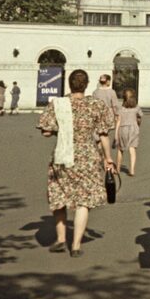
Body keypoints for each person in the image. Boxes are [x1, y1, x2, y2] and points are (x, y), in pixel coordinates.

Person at [38, 68, 116, 257]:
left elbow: (46, 131)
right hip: (87, 156)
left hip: (63, 154)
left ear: (69, 84)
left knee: (59, 195)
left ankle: (61, 239)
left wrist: (62, 128)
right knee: (83, 201)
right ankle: (76, 246)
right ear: (87, 85)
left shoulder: (58, 104)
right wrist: (108, 159)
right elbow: (104, 134)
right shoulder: (95, 105)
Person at [115, 88, 143, 176]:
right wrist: (138, 123)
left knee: (120, 149)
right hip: (134, 128)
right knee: (132, 149)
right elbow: (140, 117)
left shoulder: (121, 107)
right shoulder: (136, 107)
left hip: (123, 129)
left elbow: (118, 121)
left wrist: (116, 134)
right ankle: (132, 170)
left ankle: (118, 169)